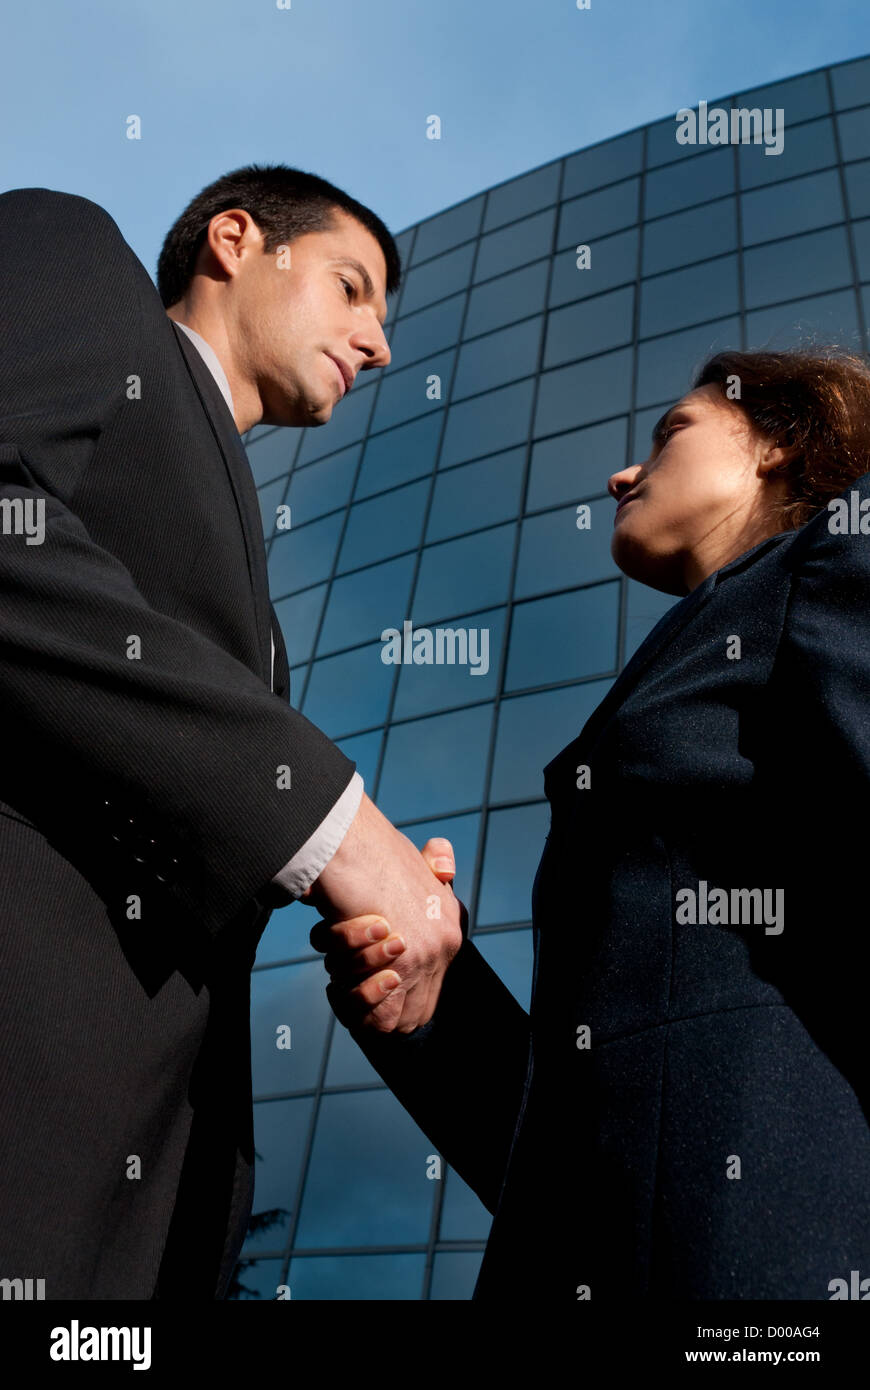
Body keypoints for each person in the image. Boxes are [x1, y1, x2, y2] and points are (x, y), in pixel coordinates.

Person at [316, 348, 870, 1300]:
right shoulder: (692, 648)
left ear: (777, 441)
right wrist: (436, 1003)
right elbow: (587, 1115)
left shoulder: (834, 565)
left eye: (670, 434)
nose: (621, 474)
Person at [0, 165, 463, 1300]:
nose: (379, 346)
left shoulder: (258, 609)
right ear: (237, 239)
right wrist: (339, 831)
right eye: (353, 290)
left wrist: (373, 923)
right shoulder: (77, 253)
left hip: (145, 1197)